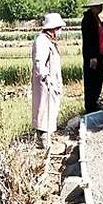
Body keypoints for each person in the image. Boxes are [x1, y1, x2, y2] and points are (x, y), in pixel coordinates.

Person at [32, 13, 65, 150]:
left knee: (49, 111)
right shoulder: (41, 41)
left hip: (51, 83)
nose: (60, 32)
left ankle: (47, 140)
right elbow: (39, 62)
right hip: (46, 84)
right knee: (44, 111)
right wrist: (46, 78)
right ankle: (44, 141)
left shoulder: (48, 41)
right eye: (58, 29)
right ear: (52, 29)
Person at [81, 0, 103, 113]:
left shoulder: (96, 18)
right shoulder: (88, 20)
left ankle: (95, 101)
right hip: (93, 56)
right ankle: (90, 105)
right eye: (98, 6)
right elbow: (89, 39)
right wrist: (92, 56)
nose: (100, 8)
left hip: (99, 54)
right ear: (93, 7)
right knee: (91, 80)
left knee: (97, 79)